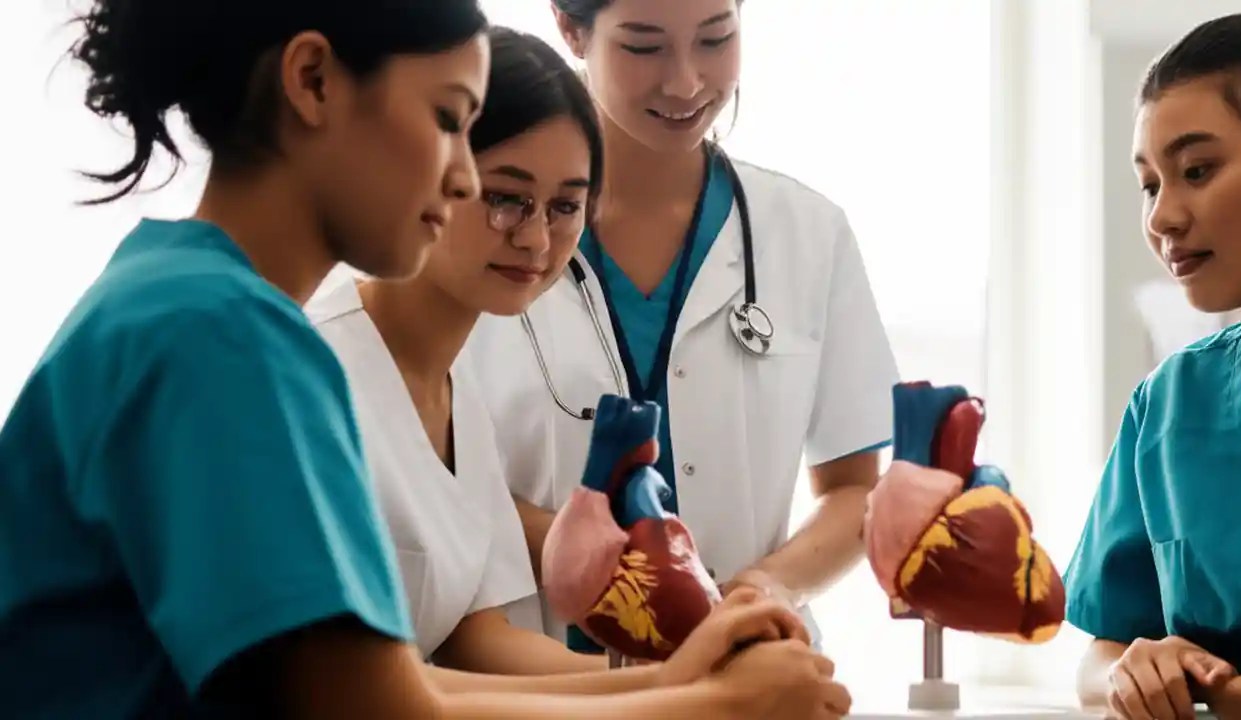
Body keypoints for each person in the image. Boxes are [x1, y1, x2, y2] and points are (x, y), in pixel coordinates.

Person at [0, 2, 847, 718]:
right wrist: (710, 706)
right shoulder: (219, 338)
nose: (458, 180)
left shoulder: (182, 297)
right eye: (448, 120)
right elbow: (376, 712)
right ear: (313, 83)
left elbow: (405, 682)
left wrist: (680, 678)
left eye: (566, 205)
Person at [305, 27, 849, 718]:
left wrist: (694, 669)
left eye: (565, 207)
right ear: (430, 175)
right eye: (506, 197)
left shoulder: (457, 400)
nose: (535, 239)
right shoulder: (315, 373)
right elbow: (370, 689)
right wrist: (697, 699)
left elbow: (480, 640)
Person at [465, 0, 899, 655]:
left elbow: (854, 489)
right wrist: (600, 562)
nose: (686, 82)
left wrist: (764, 589)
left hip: (747, 667)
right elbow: (432, 483)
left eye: (715, 39)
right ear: (570, 26)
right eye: (644, 46)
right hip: (538, 673)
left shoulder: (807, 234)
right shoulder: (481, 233)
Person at [1065, 13, 1241, 720]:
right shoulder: (1170, 406)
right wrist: (1136, 669)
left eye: (1196, 171)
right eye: (1150, 185)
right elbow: (1101, 656)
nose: (1163, 219)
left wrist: (1227, 693)